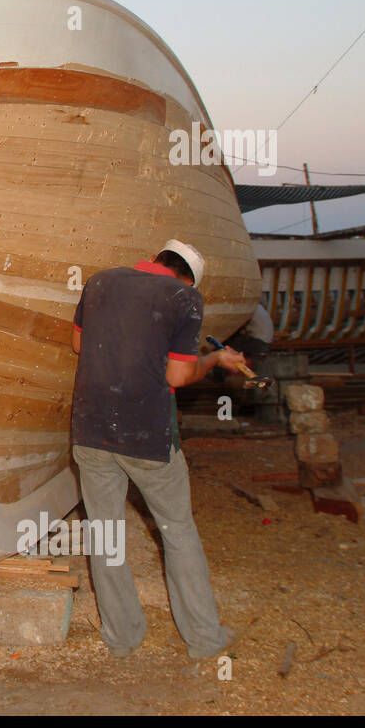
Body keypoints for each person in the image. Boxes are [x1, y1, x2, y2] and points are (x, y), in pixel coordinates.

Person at [70, 239, 246, 660]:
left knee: (105, 533)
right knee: (178, 532)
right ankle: (204, 640)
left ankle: (122, 638)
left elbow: (79, 346)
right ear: (188, 277)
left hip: (90, 427)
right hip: (146, 435)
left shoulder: (99, 281)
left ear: (156, 260)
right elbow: (179, 375)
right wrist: (215, 361)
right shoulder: (185, 298)